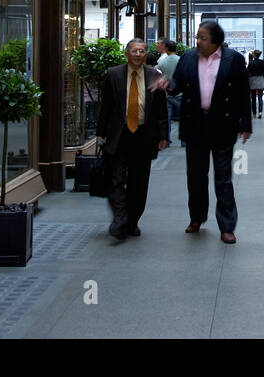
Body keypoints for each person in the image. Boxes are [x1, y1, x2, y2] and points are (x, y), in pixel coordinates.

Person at [151, 20, 251, 243]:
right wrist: (166, 84)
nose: (198, 41)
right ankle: (196, 217)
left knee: (223, 178)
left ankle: (227, 226)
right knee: (195, 176)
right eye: (197, 37)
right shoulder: (188, 58)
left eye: (202, 38)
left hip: (222, 125)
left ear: (215, 40)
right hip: (194, 123)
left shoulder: (233, 59)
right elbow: (178, 82)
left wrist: (246, 125)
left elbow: (243, 93)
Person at [97, 38, 169, 240]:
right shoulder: (113, 75)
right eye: (134, 51)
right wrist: (100, 133)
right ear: (126, 53)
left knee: (139, 181)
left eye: (142, 51)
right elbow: (106, 106)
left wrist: (164, 136)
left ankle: (132, 221)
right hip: (119, 135)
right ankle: (119, 218)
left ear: (146, 55)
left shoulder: (155, 75)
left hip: (144, 135)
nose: (138, 54)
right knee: (116, 178)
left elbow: (162, 110)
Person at [155, 38, 183, 143]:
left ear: (166, 49)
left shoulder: (162, 62)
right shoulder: (181, 60)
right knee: (183, 118)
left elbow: (157, 75)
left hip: (166, 94)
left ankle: (166, 140)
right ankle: (184, 140)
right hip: (180, 94)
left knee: (167, 119)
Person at [246, 49, 264, 118]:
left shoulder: (251, 62)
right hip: (260, 79)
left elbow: (248, 71)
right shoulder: (262, 62)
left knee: (253, 97)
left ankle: (254, 112)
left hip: (253, 80)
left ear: (254, 55)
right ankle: (260, 112)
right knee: (260, 97)